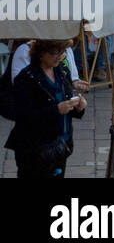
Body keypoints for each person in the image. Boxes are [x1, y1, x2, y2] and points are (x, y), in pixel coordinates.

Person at [4, 39, 86, 178]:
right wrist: (56, 110)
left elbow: (65, 99)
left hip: (60, 145)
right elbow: (23, 115)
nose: (60, 56)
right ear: (41, 53)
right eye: (55, 52)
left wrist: (78, 107)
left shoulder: (61, 71)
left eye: (62, 52)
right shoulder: (27, 78)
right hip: (36, 148)